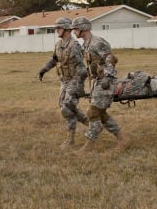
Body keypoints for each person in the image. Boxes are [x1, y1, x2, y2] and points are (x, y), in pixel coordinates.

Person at [71, 16, 128, 151]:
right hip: (96, 82)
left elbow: (110, 58)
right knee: (101, 114)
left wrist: (107, 78)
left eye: (75, 29)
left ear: (83, 28)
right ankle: (124, 140)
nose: (74, 31)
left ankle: (88, 147)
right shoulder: (86, 44)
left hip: (105, 82)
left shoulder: (97, 42)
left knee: (92, 112)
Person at [37, 17, 89, 146]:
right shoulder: (58, 45)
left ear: (66, 29)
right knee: (65, 107)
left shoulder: (74, 45)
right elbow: (54, 60)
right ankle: (90, 123)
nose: (56, 30)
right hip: (64, 81)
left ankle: (70, 140)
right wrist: (44, 69)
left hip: (74, 80)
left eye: (58, 28)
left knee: (66, 107)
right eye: (56, 28)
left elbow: (81, 68)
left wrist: (79, 86)